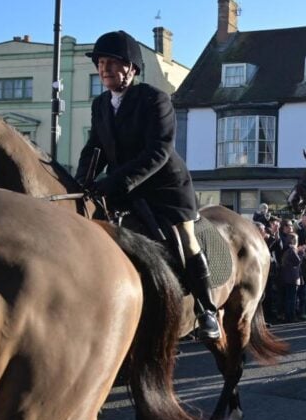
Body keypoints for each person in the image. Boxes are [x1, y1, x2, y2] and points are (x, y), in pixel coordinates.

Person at [74, 30, 221, 341]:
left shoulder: (155, 99)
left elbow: (158, 151)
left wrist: (115, 181)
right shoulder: (100, 105)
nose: (105, 69)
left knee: (185, 238)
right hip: (120, 186)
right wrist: (81, 181)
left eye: (113, 63)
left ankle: (207, 311)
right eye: (101, 63)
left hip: (164, 186)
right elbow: (95, 147)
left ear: (131, 68)